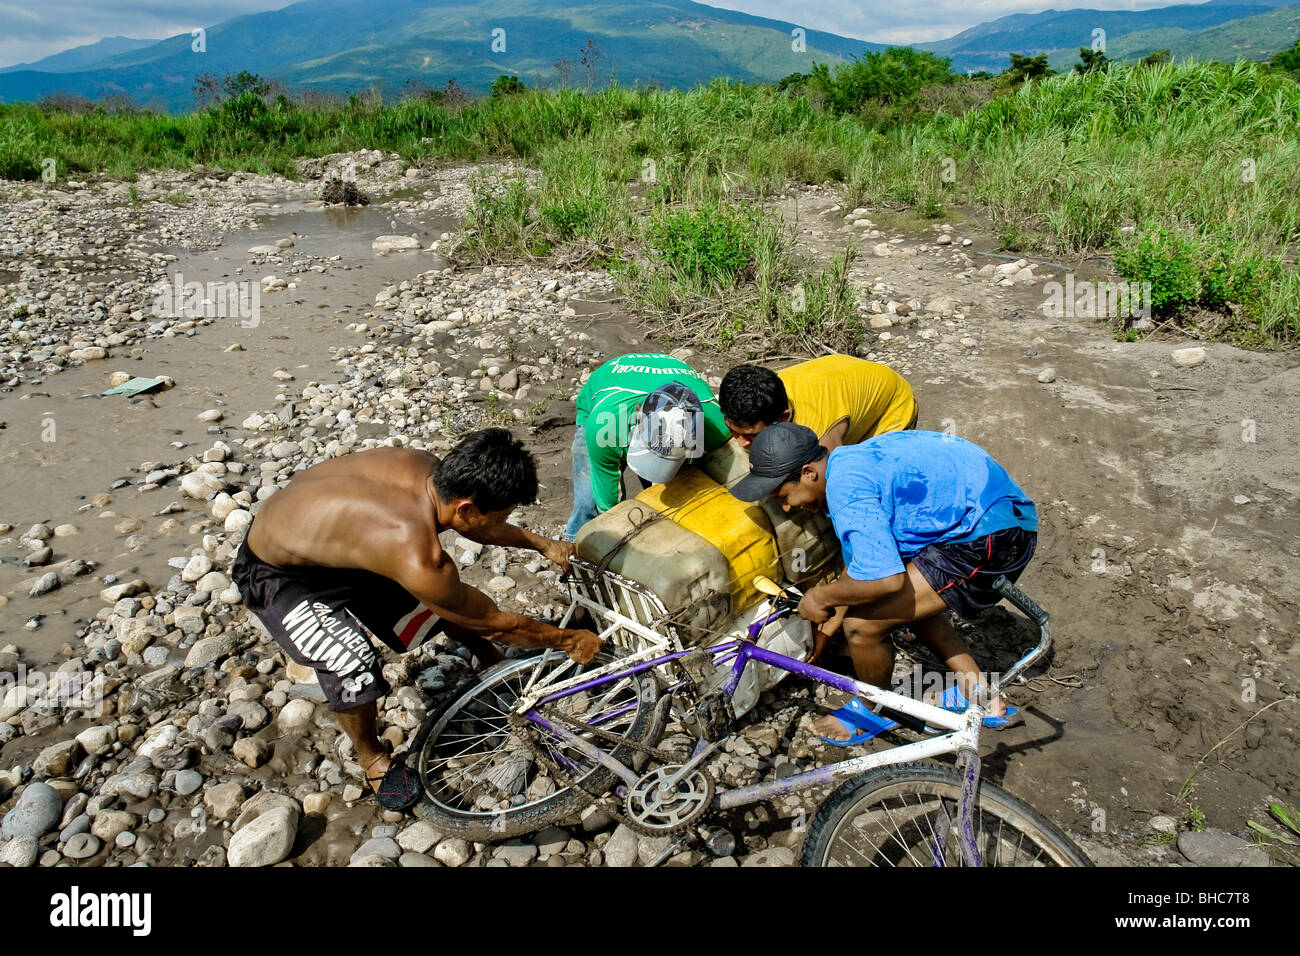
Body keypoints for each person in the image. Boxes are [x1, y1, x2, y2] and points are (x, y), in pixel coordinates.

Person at [232, 429, 601, 811]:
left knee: (432, 610)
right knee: (352, 663)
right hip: (280, 573)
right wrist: (567, 639)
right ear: (466, 509)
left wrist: (542, 543)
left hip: (334, 544)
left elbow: (479, 526)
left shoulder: (428, 469)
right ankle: (372, 757)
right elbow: (494, 621)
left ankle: (485, 657)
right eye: (501, 516)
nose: (502, 522)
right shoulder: (412, 550)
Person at [729, 422, 1038, 744]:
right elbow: (863, 572)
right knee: (904, 604)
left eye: (784, 495)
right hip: (991, 516)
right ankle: (981, 694)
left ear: (808, 473)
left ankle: (870, 709)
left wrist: (820, 597)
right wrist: (828, 626)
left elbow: (886, 580)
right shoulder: (848, 462)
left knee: (862, 626)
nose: (788, 507)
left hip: (991, 539)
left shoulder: (846, 492)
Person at [564, 352, 731, 541]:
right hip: (602, 397)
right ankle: (573, 545)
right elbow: (610, 510)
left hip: (666, 383)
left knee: (679, 495)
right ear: (638, 414)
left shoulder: (715, 425)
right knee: (588, 501)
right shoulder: (604, 426)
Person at [719, 355, 917, 453]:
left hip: (893, 409)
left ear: (784, 417)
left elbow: (829, 481)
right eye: (734, 431)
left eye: (751, 435)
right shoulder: (760, 392)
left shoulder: (818, 433)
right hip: (841, 377)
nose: (741, 442)